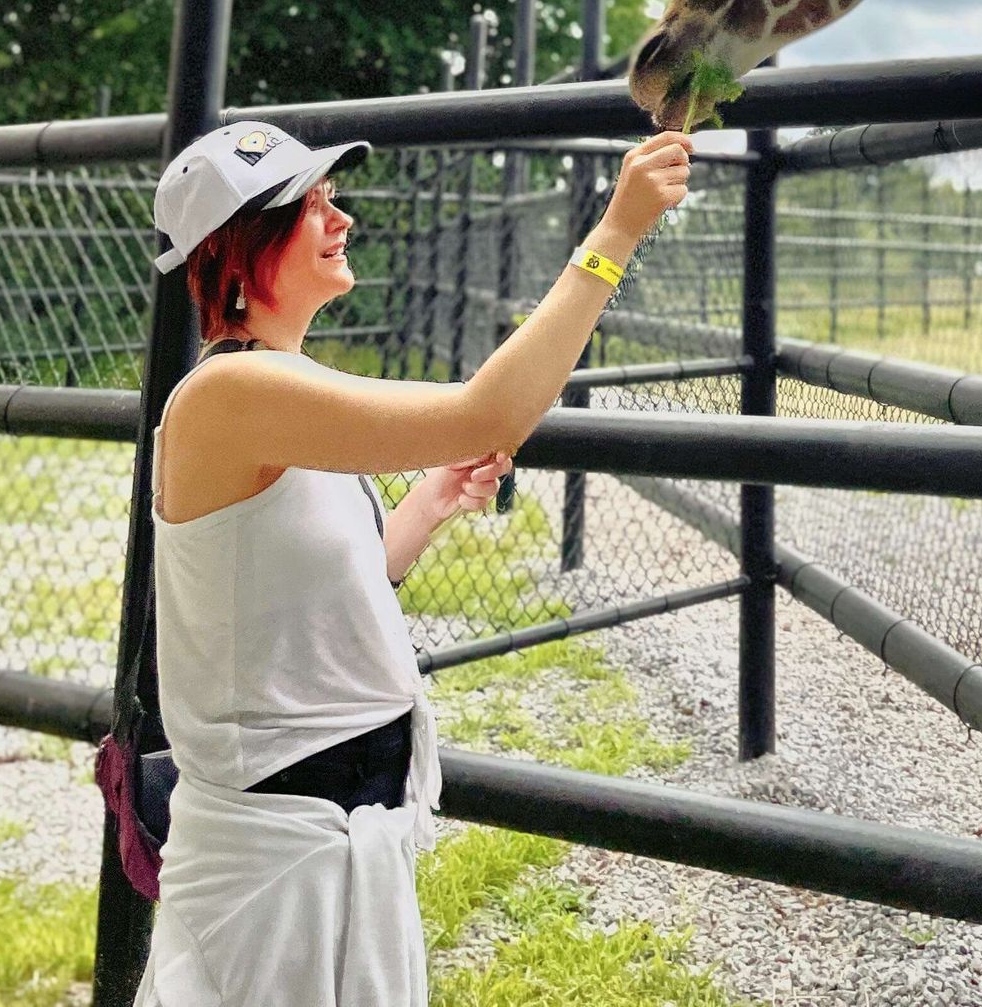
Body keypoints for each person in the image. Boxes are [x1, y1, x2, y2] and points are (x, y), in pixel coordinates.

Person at [135, 115, 691, 1007]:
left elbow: (335, 581)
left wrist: (429, 502)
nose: (341, 218)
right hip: (278, 855)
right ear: (237, 249)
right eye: (309, 205)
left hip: (337, 829)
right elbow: (487, 412)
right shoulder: (233, 392)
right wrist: (615, 233)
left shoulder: (276, 387)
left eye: (331, 197)